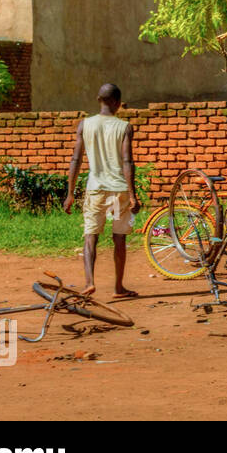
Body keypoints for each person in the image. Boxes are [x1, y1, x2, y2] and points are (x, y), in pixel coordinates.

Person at [62, 83, 140, 298]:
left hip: (95, 190)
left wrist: (70, 193)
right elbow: (127, 161)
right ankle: (118, 287)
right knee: (119, 238)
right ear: (117, 103)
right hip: (118, 192)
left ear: (99, 99)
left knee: (90, 237)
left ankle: (89, 282)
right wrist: (133, 195)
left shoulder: (84, 125)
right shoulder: (124, 127)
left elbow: (75, 160)